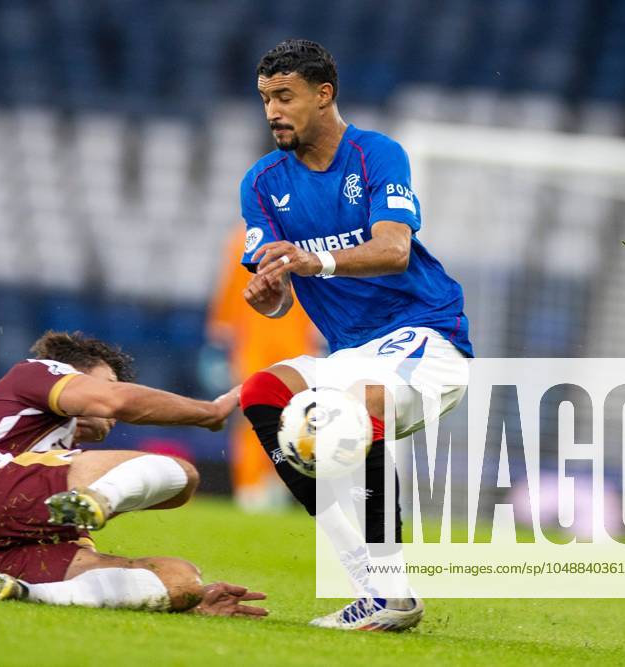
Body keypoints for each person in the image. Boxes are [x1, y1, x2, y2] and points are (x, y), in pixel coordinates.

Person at [237, 39, 473, 631]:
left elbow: (394, 250)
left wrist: (313, 264)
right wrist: (270, 296)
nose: (272, 111)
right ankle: (376, 588)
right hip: (351, 351)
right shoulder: (263, 183)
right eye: (266, 98)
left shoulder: (375, 154)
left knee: (355, 407)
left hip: (424, 334)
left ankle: (390, 591)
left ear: (324, 95)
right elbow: (276, 286)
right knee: (261, 395)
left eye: (285, 97)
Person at [0, 330, 266, 618]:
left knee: (181, 579)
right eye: (109, 381)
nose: (114, 418)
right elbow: (114, 402)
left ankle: (26, 592)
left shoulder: (58, 459)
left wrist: (191, 603)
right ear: (73, 372)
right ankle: (101, 500)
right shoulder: (35, 371)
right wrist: (210, 412)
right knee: (183, 475)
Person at [207, 226, 320, 510]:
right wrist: (222, 330)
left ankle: (278, 485)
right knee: (253, 415)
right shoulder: (243, 239)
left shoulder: (313, 233)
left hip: (297, 341)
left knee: (296, 416)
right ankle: (250, 487)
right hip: (254, 342)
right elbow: (232, 287)